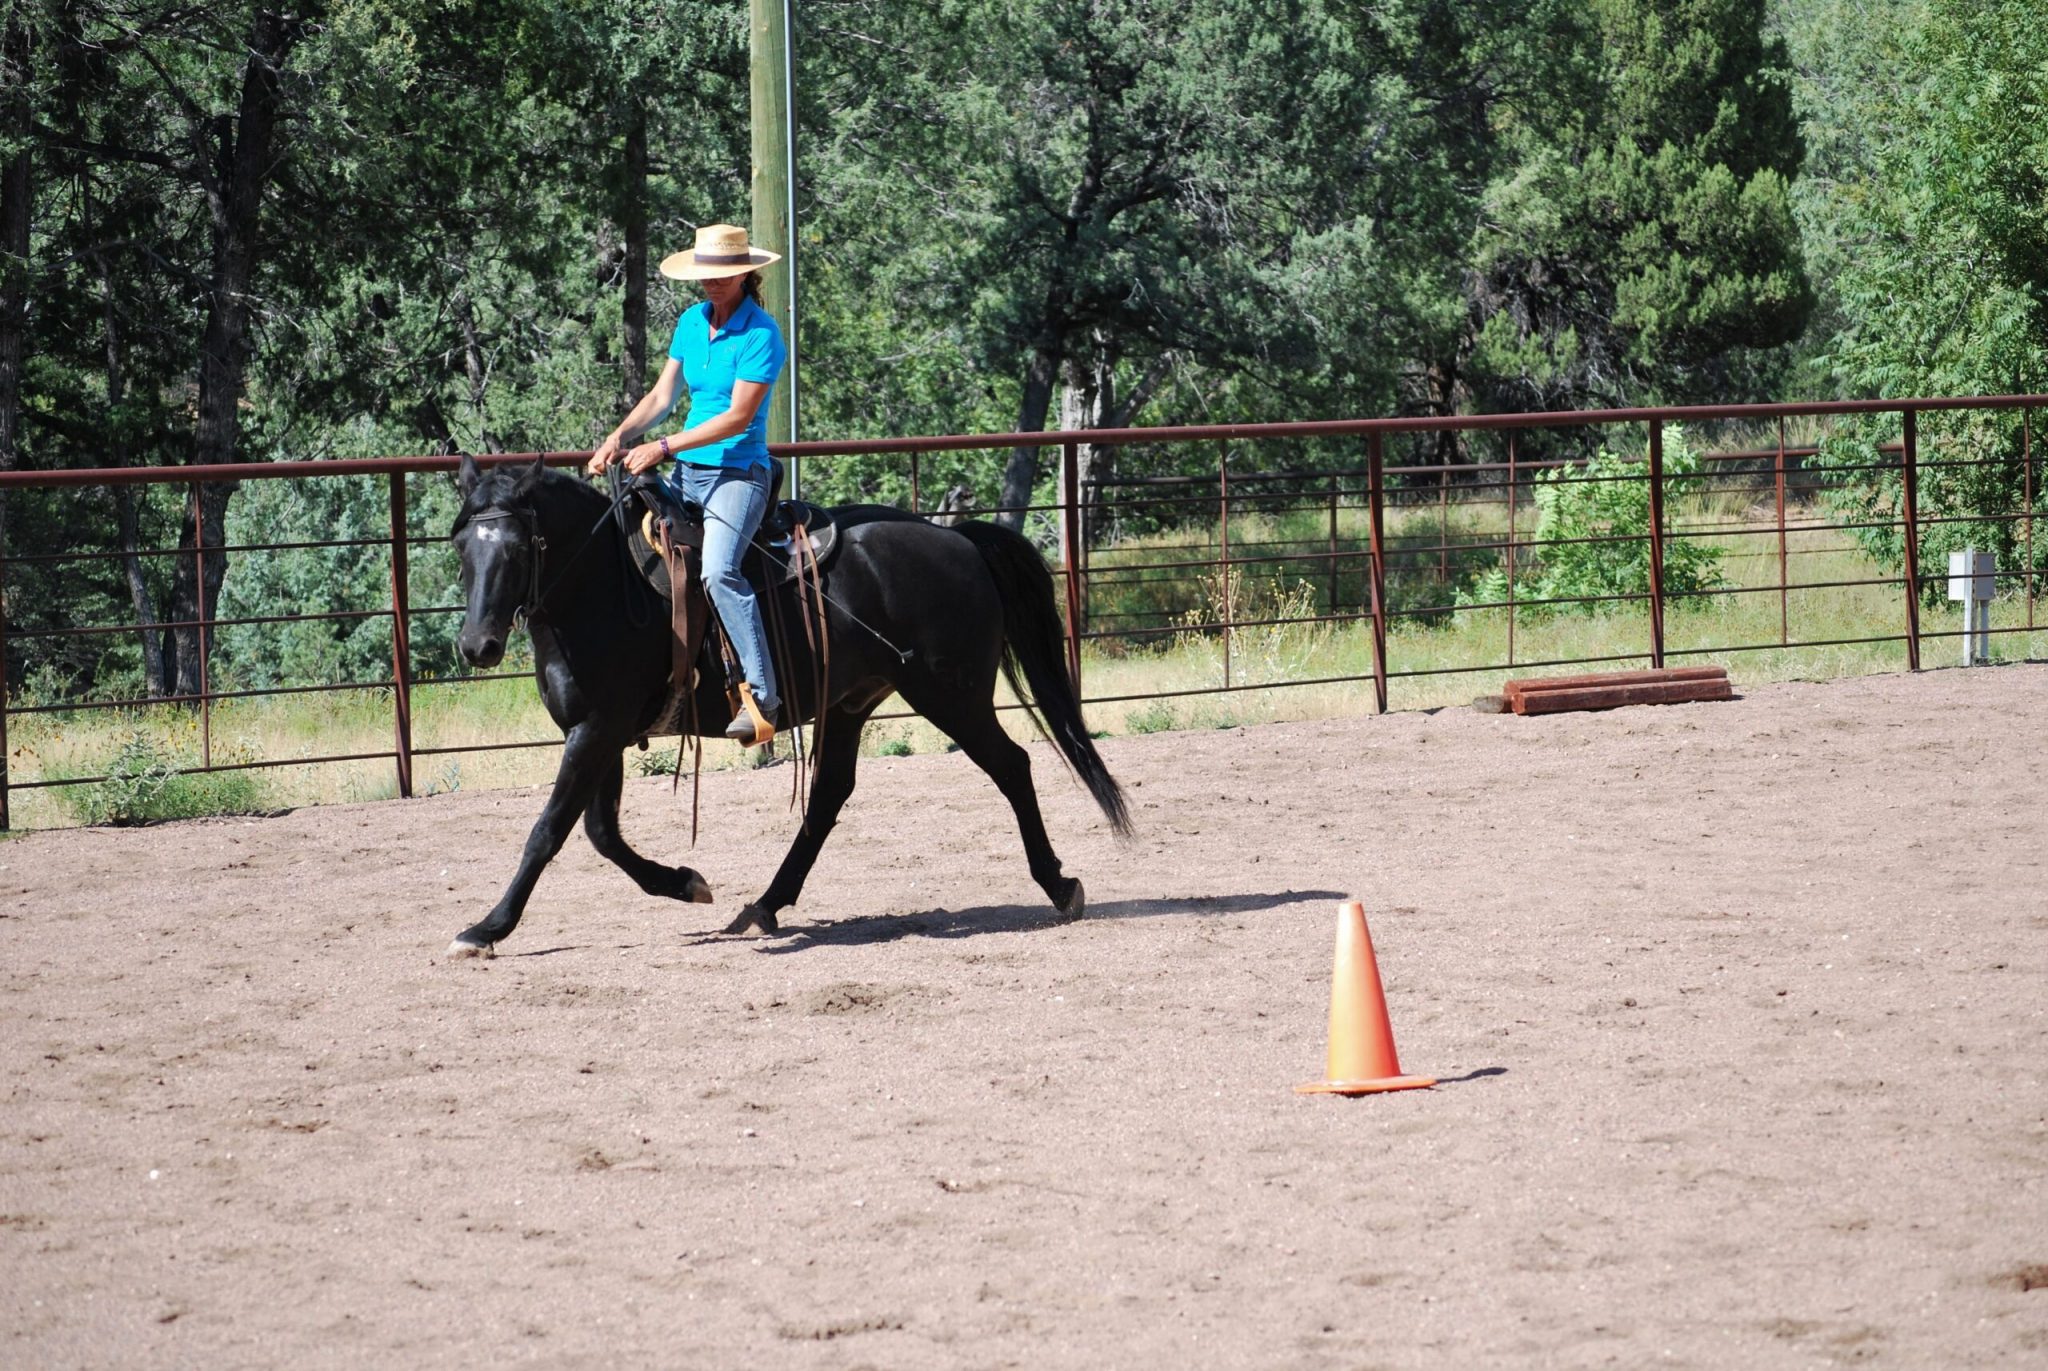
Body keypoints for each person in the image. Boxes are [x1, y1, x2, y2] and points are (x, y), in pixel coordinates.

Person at [588, 223, 788, 747]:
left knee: (720, 570)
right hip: (686, 474)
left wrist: (663, 446)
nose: (712, 281)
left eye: (723, 273)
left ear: (744, 274)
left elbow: (738, 418)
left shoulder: (762, 334)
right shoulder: (692, 322)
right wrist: (618, 437)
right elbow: (661, 397)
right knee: (625, 551)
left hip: (737, 474)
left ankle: (762, 697)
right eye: (706, 273)